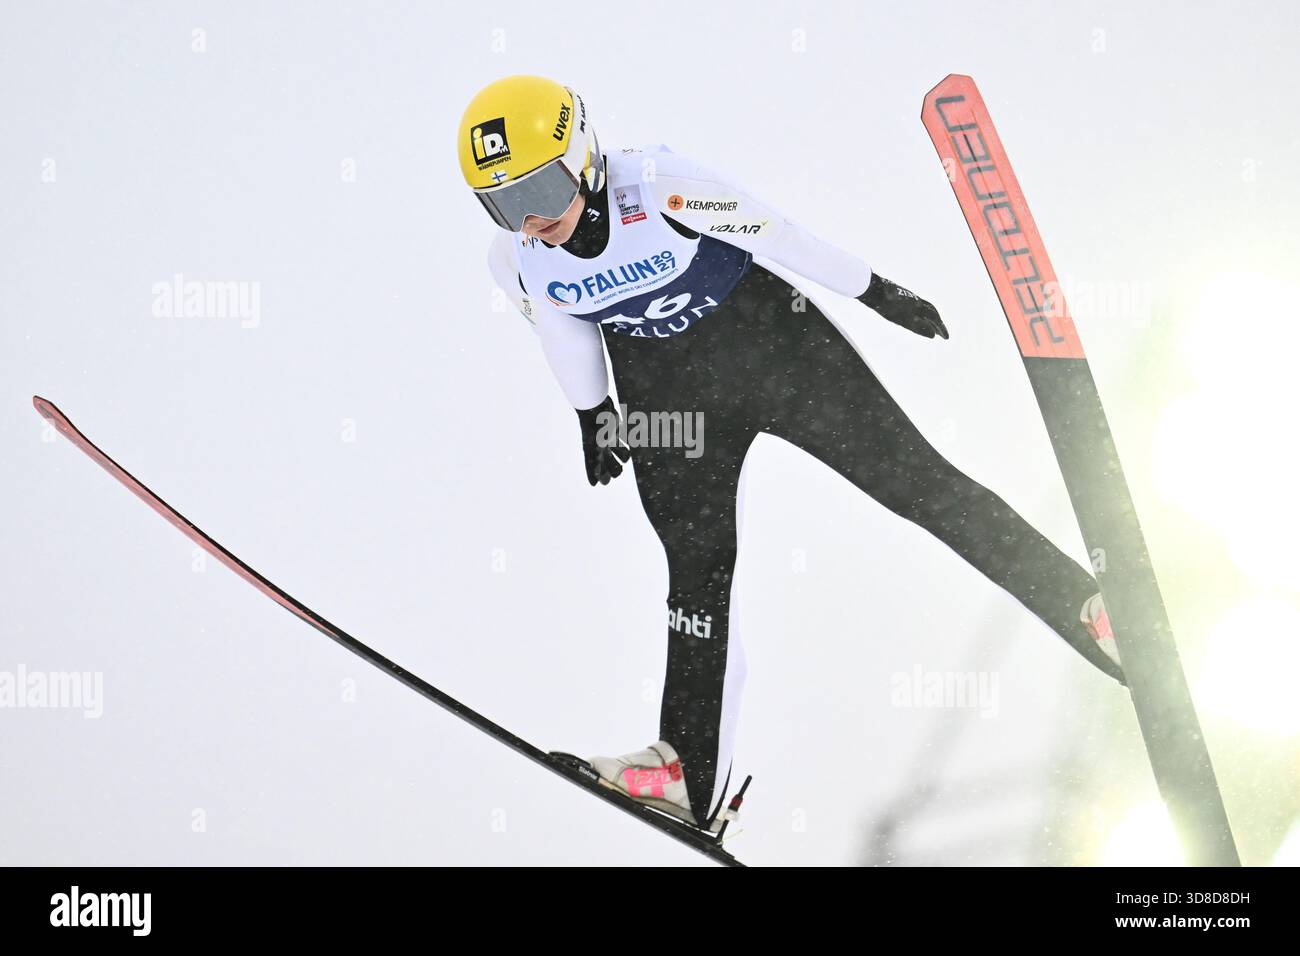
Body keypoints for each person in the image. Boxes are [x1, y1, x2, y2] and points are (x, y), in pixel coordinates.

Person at [457, 75, 1125, 831]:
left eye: (540, 188)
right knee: (695, 569)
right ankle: (684, 773)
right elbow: (562, 326)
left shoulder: (658, 185)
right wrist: (592, 415)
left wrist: (875, 290)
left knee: (922, 489)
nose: (534, 219)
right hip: (671, 406)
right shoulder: (515, 258)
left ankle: (1092, 611)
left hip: (777, 356)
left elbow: (773, 233)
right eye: (507, 204)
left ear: (580, 154)